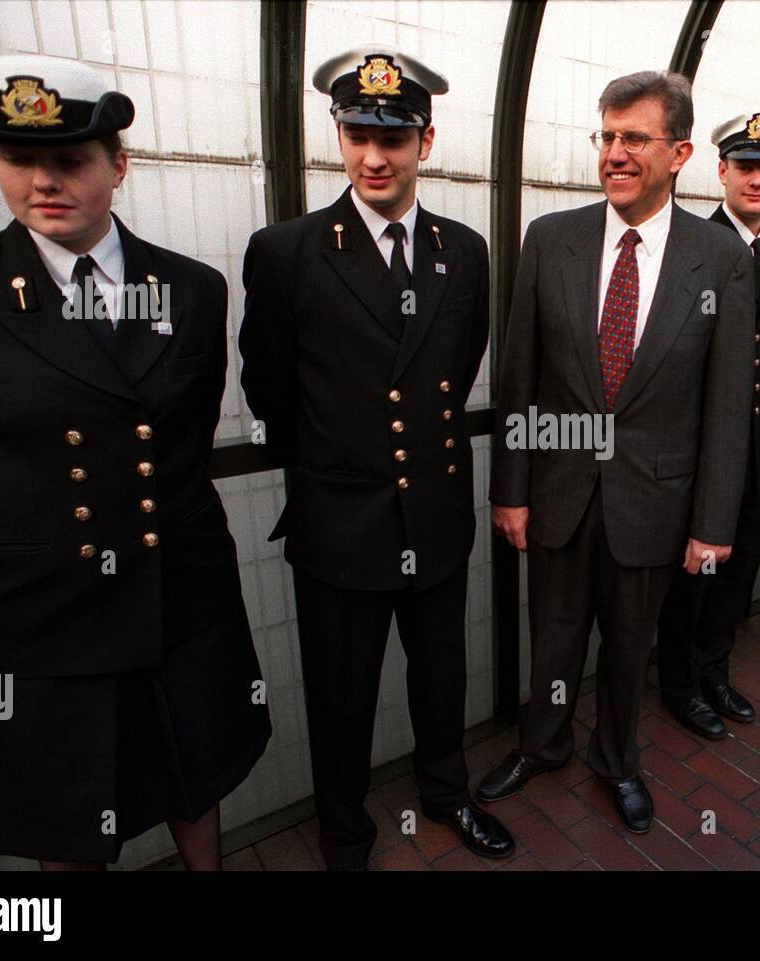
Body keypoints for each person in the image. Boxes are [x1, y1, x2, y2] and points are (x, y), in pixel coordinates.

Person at [0, 55, 270, 869]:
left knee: (194, 772)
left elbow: (182, 441)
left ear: (118, 163)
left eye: (71, 159)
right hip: (41, 607)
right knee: (64, 810)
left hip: (175, 585)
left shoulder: (191, 289)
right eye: (16, 158)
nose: (43, 181)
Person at [238, 47, 511, 869]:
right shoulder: (287, 250)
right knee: (341, 697)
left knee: (441, 679)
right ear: (338, 135)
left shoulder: (463, 250)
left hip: (434, 513)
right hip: (340, 524)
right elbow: (268, 387)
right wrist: (342, 462)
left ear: (425, 142)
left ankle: (447, 794)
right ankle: (344, 834)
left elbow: (458, 360)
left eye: (392, 138)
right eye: (357, 134)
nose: (373, 156)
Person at [478, 71, 753, 833]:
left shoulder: (719, 259)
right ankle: (543, 744)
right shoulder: (551, 239)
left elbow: (728, 404)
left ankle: (618, 759)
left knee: (630, 649)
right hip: (559, 492)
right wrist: (511, 489)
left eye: (635, 138)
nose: (616, 153)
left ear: (680, 154)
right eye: (607, 136)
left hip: (656, 499)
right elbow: (520, 378)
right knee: (553, 637)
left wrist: (713, 524)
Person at [655, 109, 760, 738]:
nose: (756, 180)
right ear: (721, 170)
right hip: (708, 449)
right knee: (696, 575)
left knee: (737, 572)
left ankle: (714, 673)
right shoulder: (693, 244)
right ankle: (680, 684)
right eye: (744, 166)